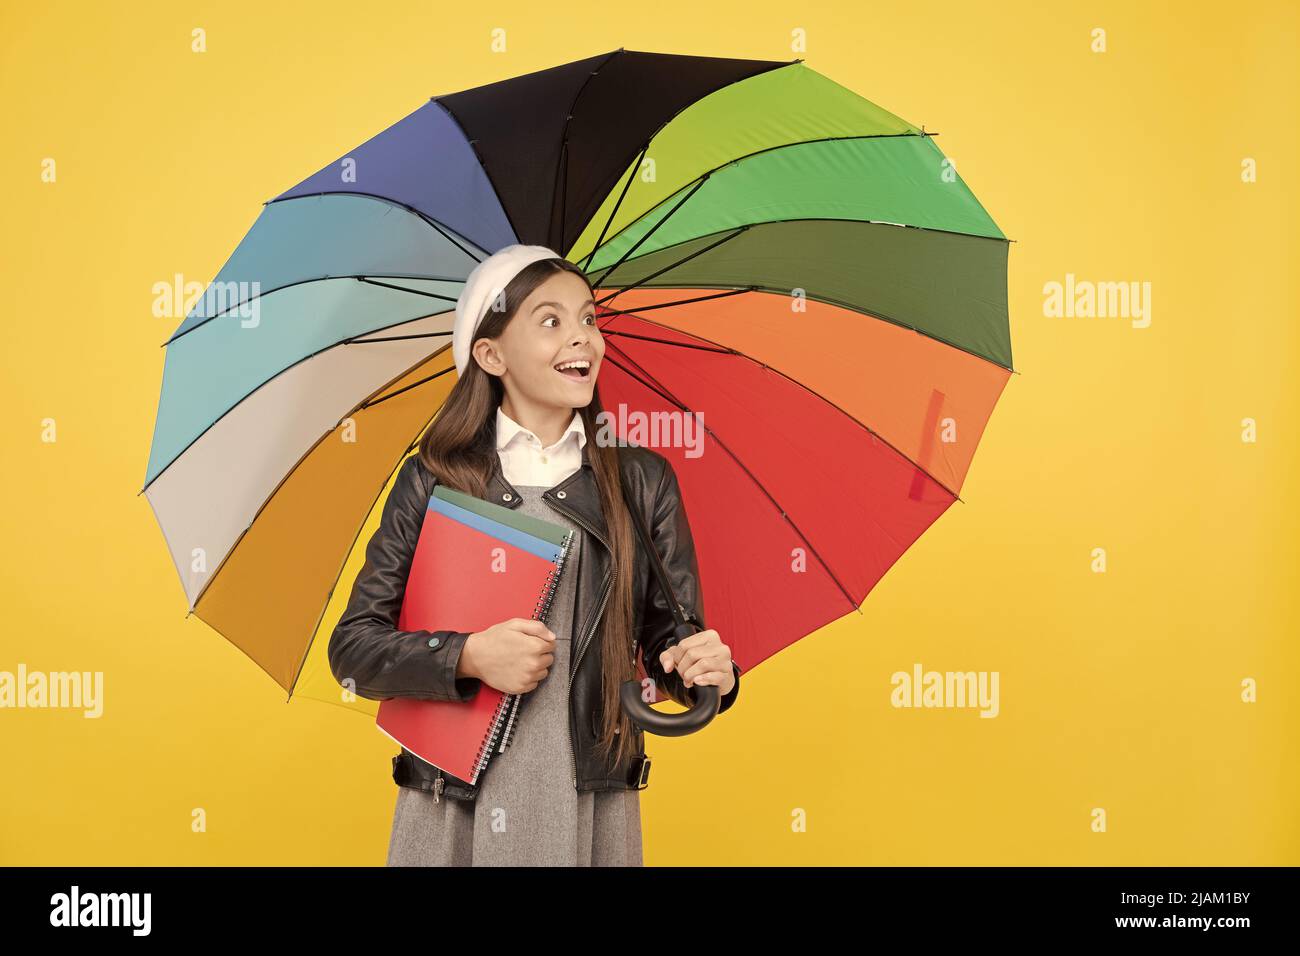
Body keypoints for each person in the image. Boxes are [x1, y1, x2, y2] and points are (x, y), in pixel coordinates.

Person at [328, 244, 740, 866]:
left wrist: (702, 670)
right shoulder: (434, 479)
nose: (582, 338)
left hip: (586, 797)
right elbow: (355, 650)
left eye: (589, 318)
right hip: (451, 801)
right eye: (551, 321)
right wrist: (468, 656)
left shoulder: (640, 480)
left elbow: (667, 644)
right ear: (490, 355)